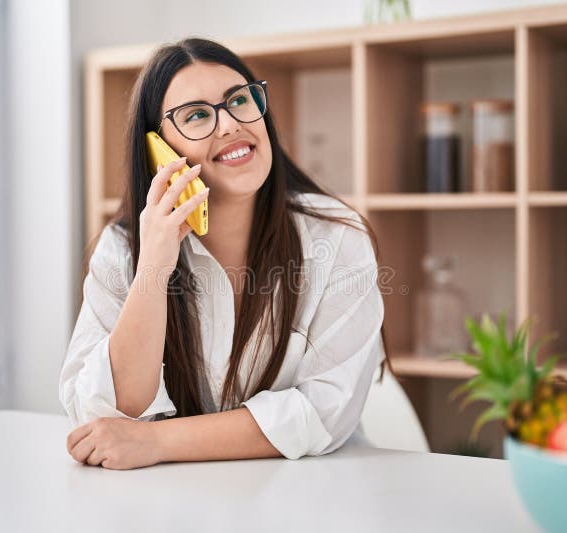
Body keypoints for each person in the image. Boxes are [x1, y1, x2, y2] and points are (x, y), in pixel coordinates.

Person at [59, 37, 391, 470]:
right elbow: (106, 413)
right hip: (171, 501)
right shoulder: (123, 249)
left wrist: (158, 441)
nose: (231, 124)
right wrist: (154, 266)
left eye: (239, 100)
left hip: (310, 492)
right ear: (157, 148)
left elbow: (322, 412)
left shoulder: (335, 237)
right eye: (197, 115)